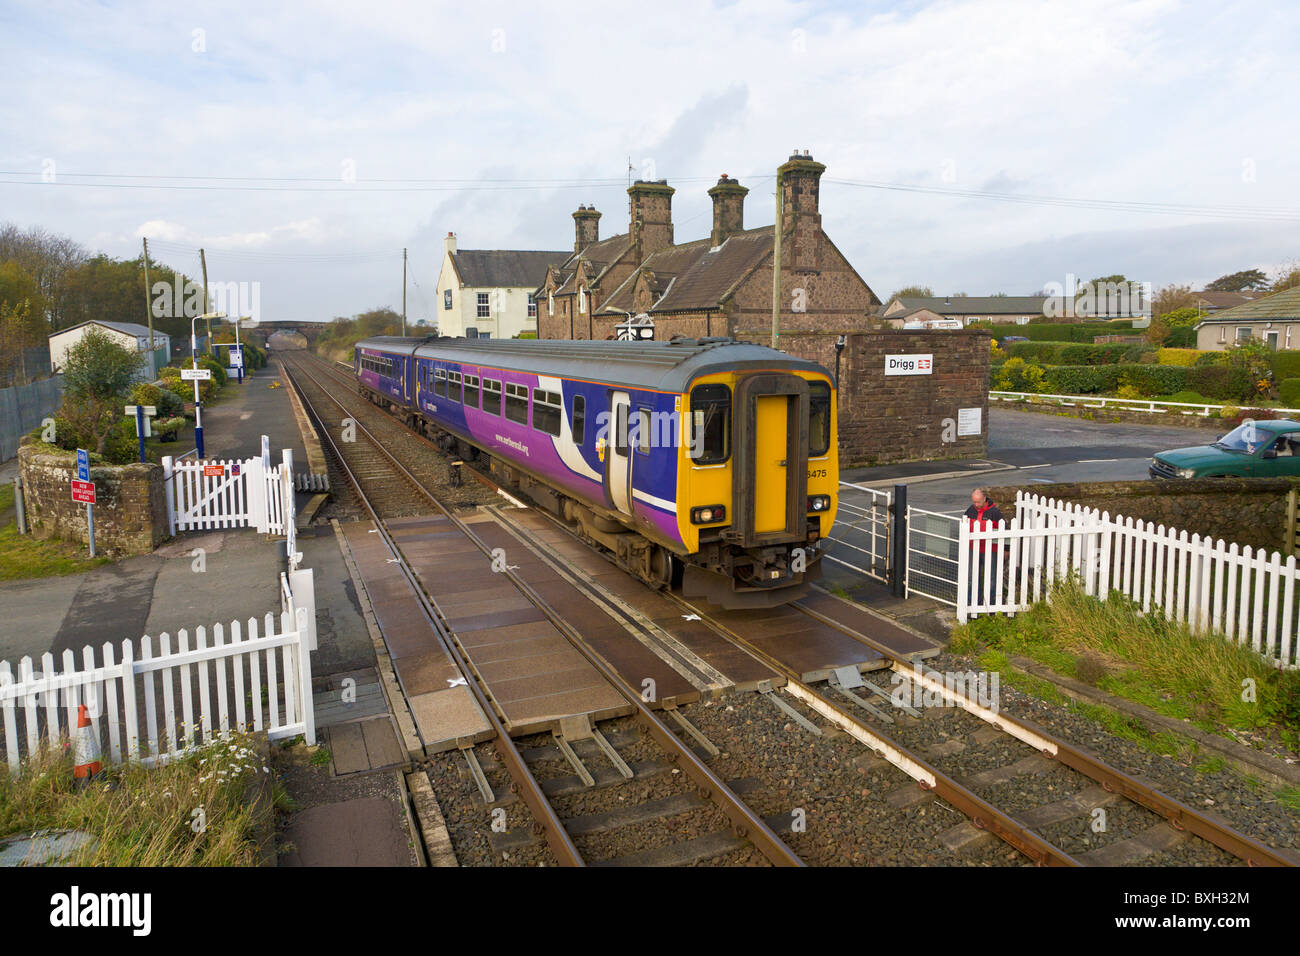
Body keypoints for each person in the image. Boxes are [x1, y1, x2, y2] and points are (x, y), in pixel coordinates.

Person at [964, 488, 1004, 606]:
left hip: (990, 550)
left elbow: (1004, 530)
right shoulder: (970, 510)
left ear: (985, 499)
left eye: (979, 502)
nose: (976, 505)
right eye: (974, 502)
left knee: (991, 577)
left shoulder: (995, 513)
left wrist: (1006, 549)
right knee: (972, 576)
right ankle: (972, 601)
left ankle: (990, 603)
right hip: (973, 548)